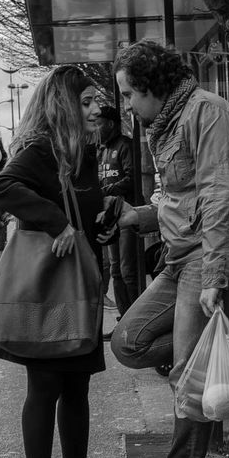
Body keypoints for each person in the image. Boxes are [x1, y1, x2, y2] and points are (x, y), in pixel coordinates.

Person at [109, 40, 229, 458]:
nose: (126, 105)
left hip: (218, 256)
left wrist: (217, 277)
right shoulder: (165, 125)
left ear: (151, 88)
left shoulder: (209, 115)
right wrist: (134, 217)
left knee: (188, 375)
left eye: (128, 94)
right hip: (184, 259)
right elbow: (178, 199)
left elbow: (221, 199)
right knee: (128, 341)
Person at [0, 65, 117, 458]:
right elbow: (2, 187)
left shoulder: (80, 153)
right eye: (84, 102)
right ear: (62, 106)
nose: (94, 109)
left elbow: (83, 215)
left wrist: (99, 222)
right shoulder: (41, 150)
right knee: (44, 388)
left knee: (78, 387)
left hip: (76, 288)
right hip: (46, 292)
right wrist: (55, 222)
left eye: (95, 101)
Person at [95, 101, 139, 324]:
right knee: (116, 271)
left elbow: (132, 178)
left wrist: (107, 190)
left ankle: (137, 320)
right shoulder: (100, 151)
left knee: (128, 270)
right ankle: (125, 320)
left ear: (110, 124)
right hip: (110, 218)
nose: (95, 128)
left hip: (127, 216)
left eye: (99, 124)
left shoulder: (125, 146)